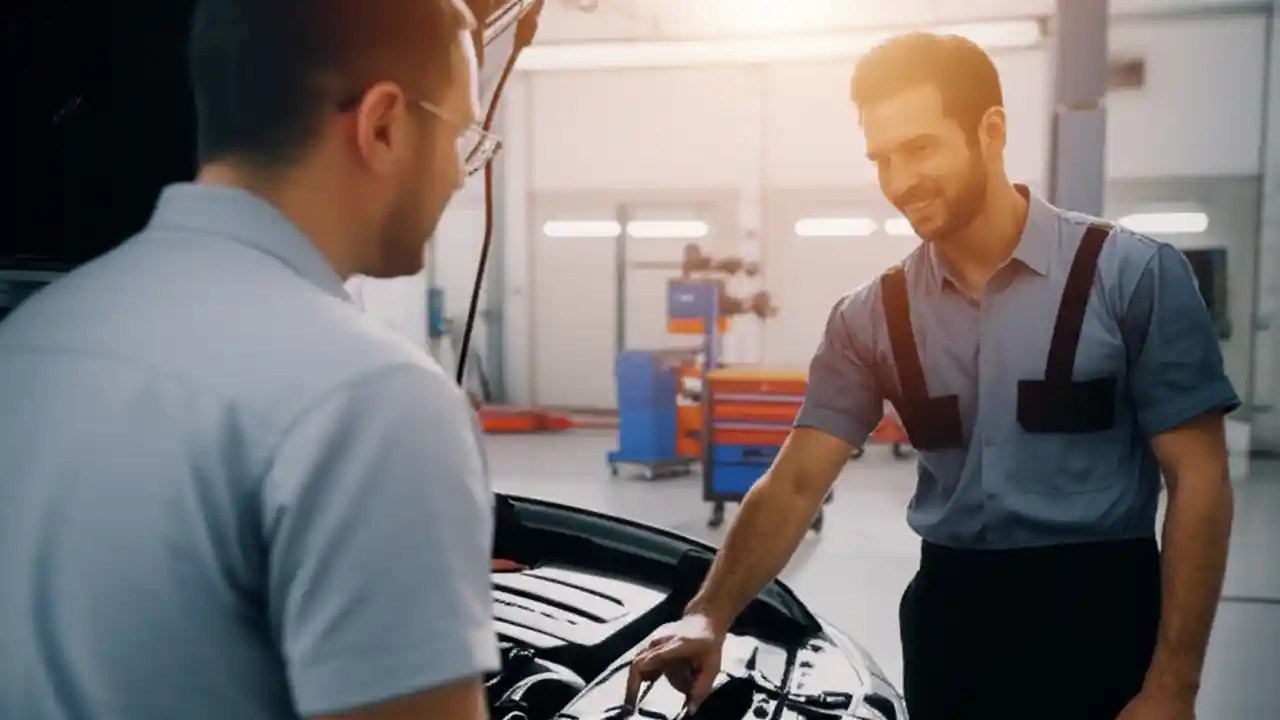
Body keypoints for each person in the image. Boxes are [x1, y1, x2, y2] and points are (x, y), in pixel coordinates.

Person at [624, 32, 1238, 720]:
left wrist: (1173, 685)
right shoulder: (872, 316)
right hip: (953, 624)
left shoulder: (1132, 277)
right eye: (881, 158)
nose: (897, 180)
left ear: (992, 131)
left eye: (919, 148)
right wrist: (709, 613)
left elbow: (1199, 481)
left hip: (1102, 619)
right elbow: (797, 481)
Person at [0, 1, 504, 718]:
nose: (460, 176)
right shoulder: (369, 399)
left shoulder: (31, 342)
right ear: (384, 125)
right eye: (462, 135)